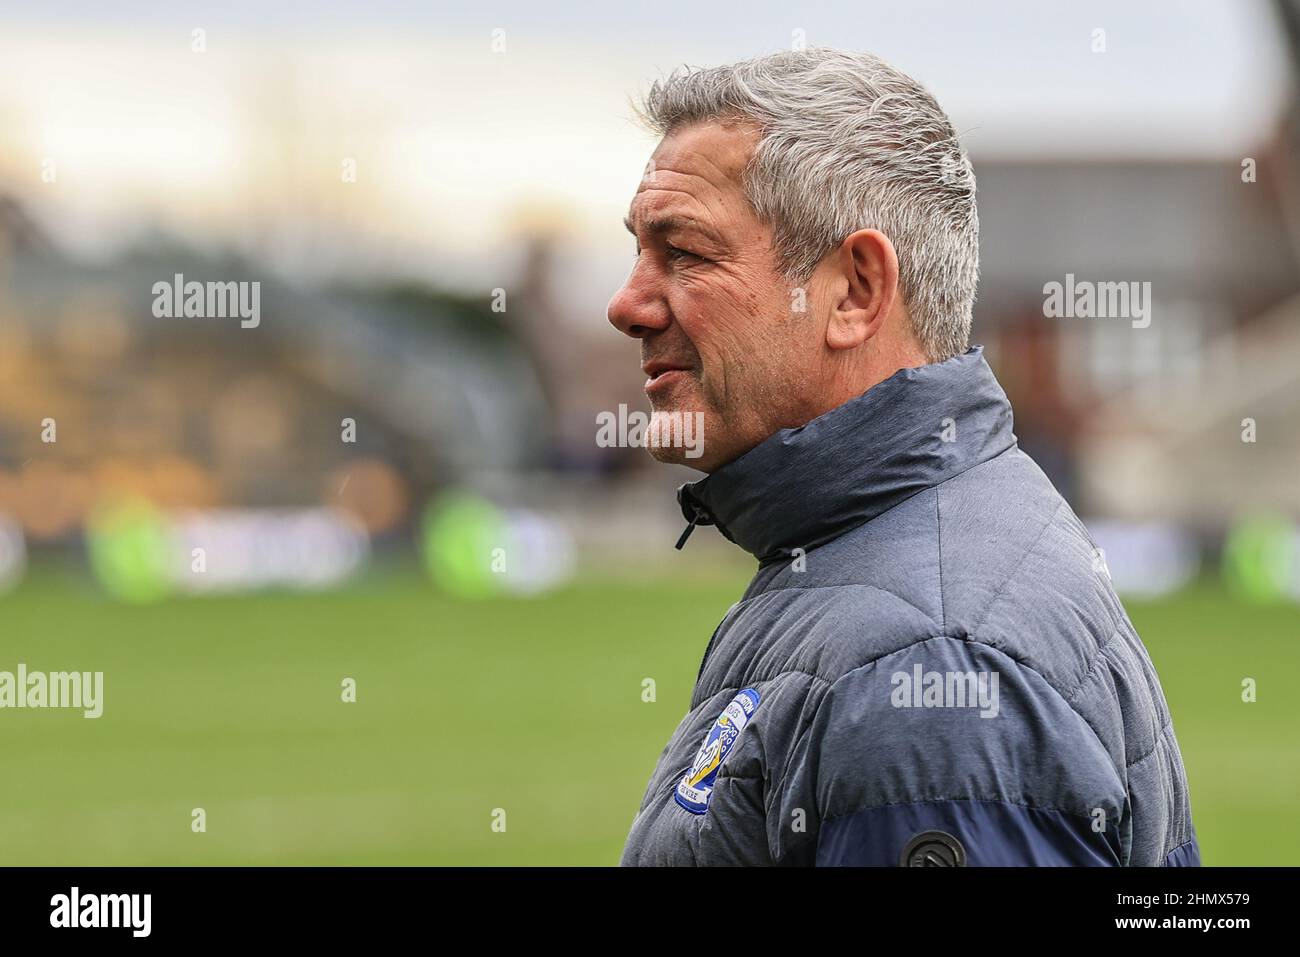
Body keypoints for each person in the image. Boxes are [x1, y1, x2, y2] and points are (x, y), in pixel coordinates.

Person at [607, 48, 1198, 866]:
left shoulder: (927, 665)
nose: (626, 303)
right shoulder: (873, 563)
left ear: (853, 291)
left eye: (687, 253)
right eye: (639, 250)